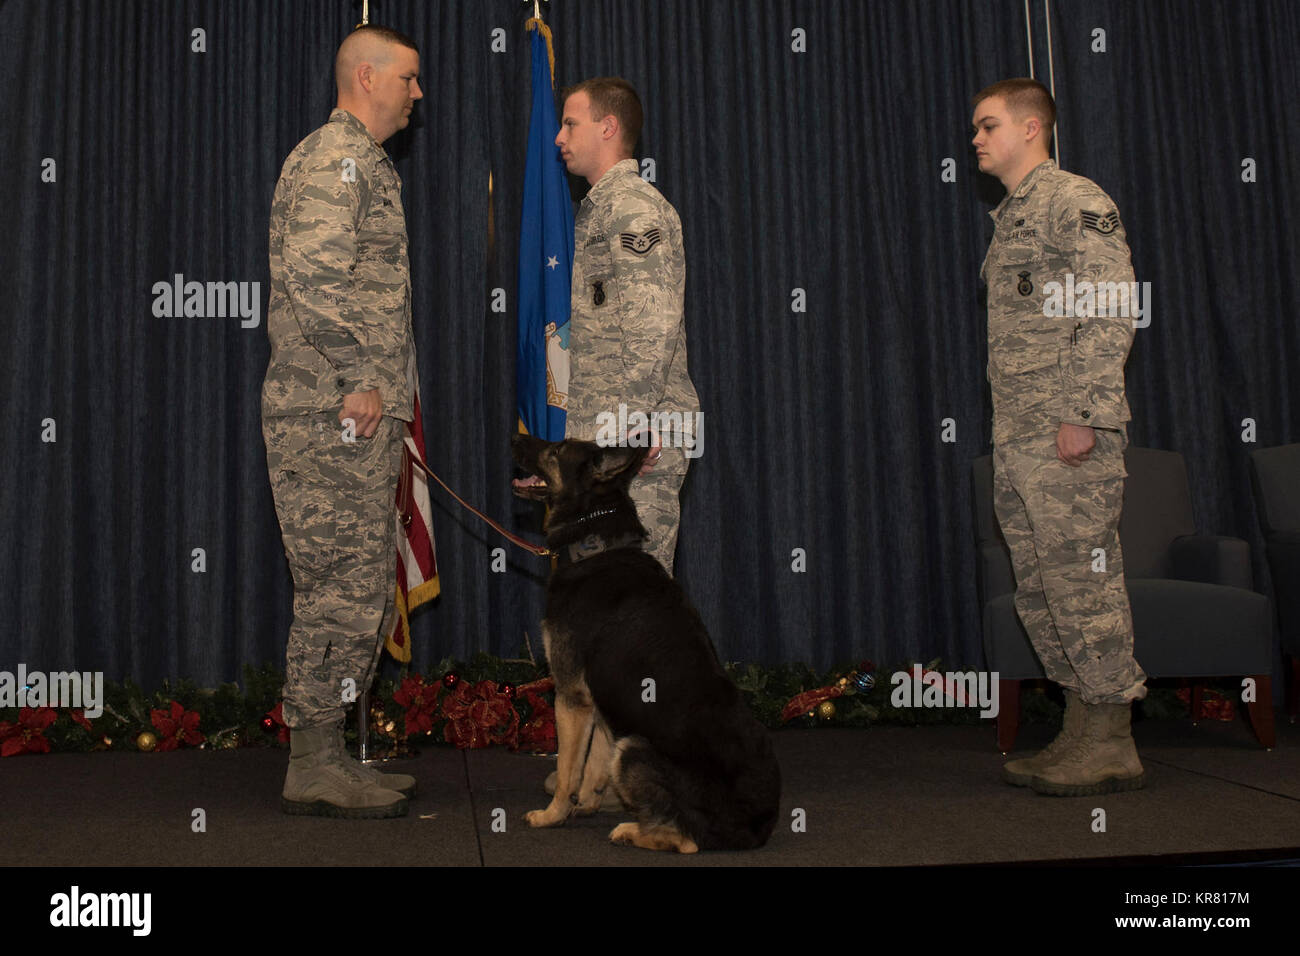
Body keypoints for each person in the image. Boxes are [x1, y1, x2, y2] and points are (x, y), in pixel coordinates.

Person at [262, 24, 422, 818]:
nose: (416, 93)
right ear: (368, 76)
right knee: (335, 588)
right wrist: (361, 376)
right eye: (408, 78)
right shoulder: (337, 159)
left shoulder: (365, 162)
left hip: (357, 415)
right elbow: (311, 277)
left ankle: (331, 756)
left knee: (356, 588)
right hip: (331, 412)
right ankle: (312, 761)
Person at [971, 78, 1147, 796]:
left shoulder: (1073, 200)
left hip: (1066, 433)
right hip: (1022, 437)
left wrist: (1082, 412)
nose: (976, 140)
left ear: (1031, 128)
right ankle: (1081, 728)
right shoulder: (1013, 217)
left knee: (1083, 582)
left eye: (988, 126)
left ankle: (1112, 737)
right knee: (1043, 589)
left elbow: (1111, 308)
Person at [553, 77, 700, 575]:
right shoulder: (600, 209)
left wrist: (633, 427)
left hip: (639, 442)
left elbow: (653, 323)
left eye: (571, 123)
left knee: (633, 604)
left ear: (608, 127)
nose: (560, 137)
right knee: (602, 604)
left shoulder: (634, 209)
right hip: (609, 439)